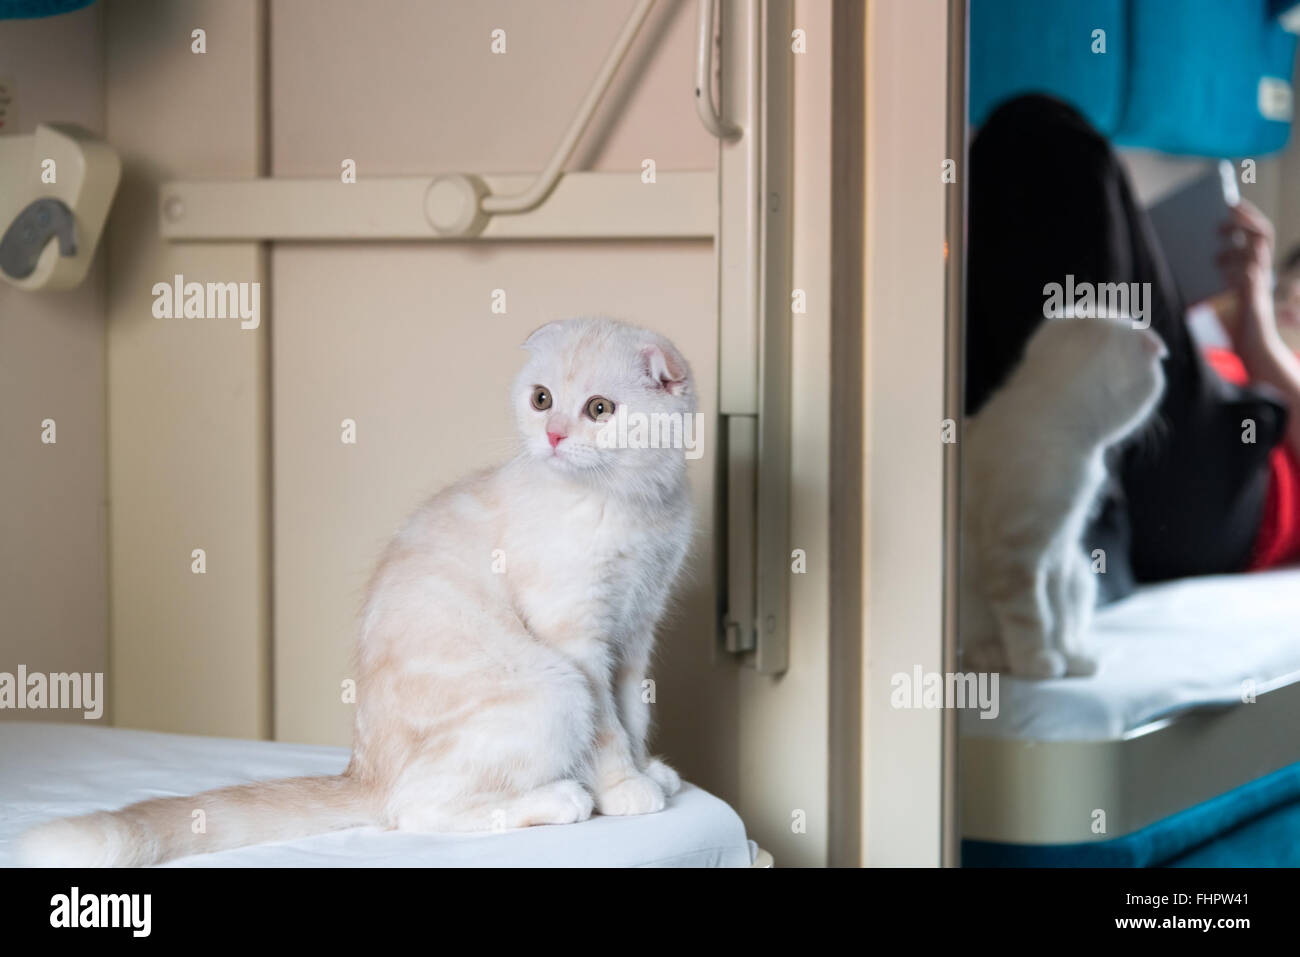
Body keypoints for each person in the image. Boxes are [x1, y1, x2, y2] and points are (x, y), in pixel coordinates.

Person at [966, 94, 1300, 603]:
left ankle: (1093, 530)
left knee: (1052, 140)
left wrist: (1256, 318)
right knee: (1027, 162)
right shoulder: (1215, 334)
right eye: (1289, 286)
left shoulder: (1271, 369)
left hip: (1235, 495)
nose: (1292, 300)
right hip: (1149, 448)